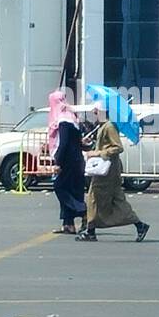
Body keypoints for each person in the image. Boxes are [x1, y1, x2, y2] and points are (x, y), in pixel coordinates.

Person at [78, 103, 150, 243]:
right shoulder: (104, 126)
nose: (94, 112)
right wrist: (90, 143)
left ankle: (90, 230)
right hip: (108, 169)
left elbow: (117, 147)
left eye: (96, 110)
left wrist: (97, 153)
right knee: (117, 199)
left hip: (107, 170)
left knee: (93, 197)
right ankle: (139, 225)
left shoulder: (109, 126)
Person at [48, 90, 86, 235]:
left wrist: (57, 161)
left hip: (67, 160)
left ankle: (82, 210)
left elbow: (63, 143)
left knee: (59, 187)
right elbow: (76, 141)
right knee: (71, 189)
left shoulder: (63, 119)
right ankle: (68, 224)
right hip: (76, 159)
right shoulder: (72, 116)